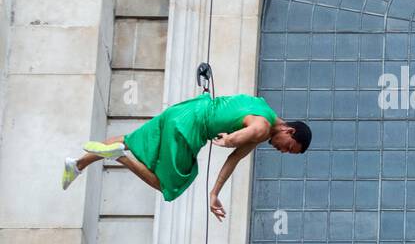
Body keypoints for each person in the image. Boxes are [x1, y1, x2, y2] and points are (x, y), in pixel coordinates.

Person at [61, 92, 311, 222]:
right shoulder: (263, 128)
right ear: (289, 131)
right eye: (290, 147)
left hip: (184, 110)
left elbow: (234, 160)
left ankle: (77, 164)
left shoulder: (262, 107)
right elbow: (244, 136)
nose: (283, 151)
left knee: (129, 140)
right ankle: (120, 158)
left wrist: (214, 193)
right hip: (189, 129)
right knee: (169, 186)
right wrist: (227, 140)